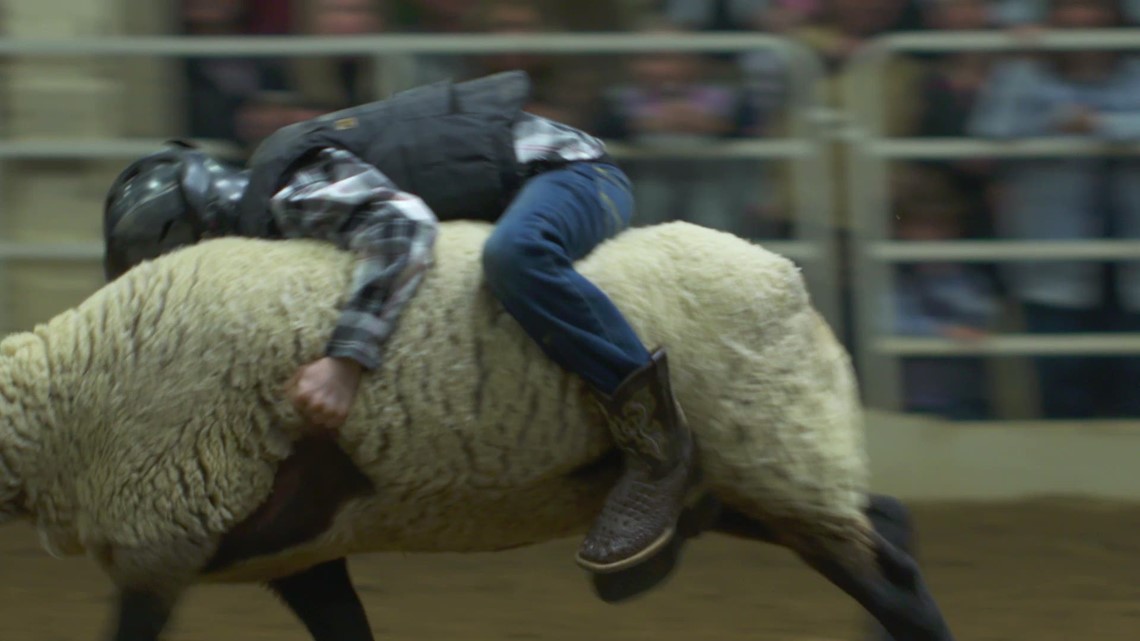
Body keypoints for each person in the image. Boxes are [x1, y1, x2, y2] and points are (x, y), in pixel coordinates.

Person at [101, 70, 699, 575]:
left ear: (203, 238)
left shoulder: (290, 192)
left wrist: (344, 364)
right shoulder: (279, 207)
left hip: (574, 173)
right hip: (534, 181)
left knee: (516, 258)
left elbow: (403, 226)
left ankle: (659, 448)